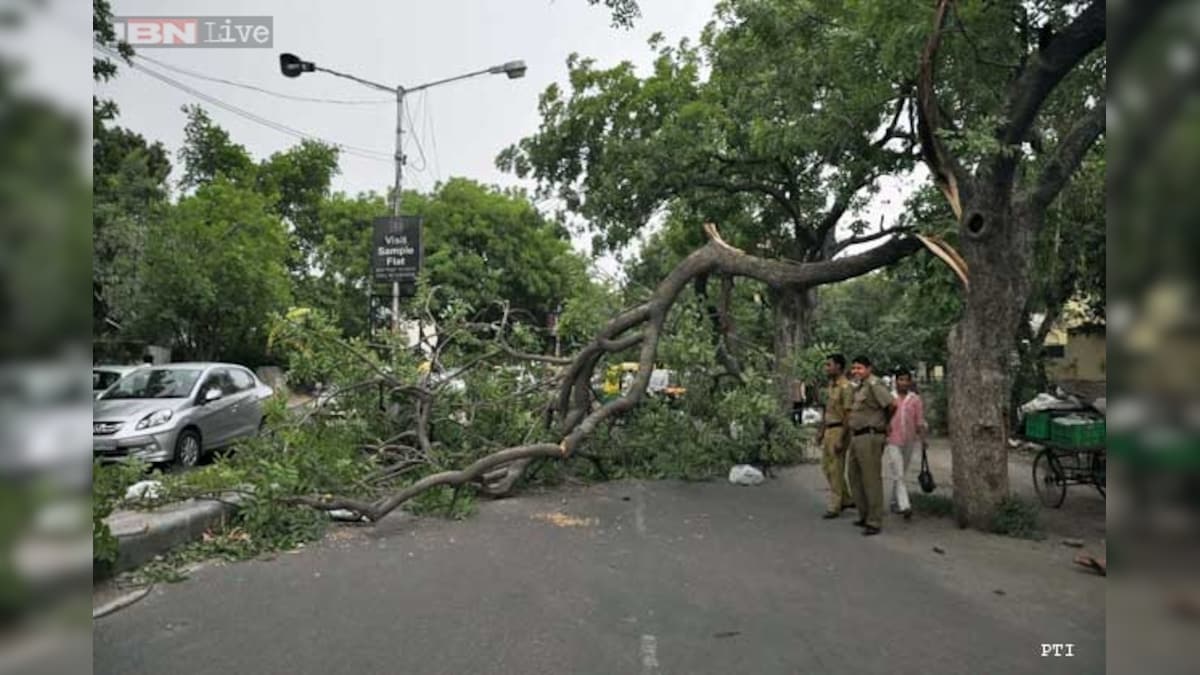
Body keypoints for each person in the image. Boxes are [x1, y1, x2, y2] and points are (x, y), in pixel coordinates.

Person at [846, 355, 895, 536]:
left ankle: (874, 521)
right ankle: (864, 514)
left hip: (870, 435)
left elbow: (892, 404)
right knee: (854, 476)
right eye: (854, 368)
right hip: (857, 436)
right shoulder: (860, 387)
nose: (856, 371)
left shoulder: (875, 385)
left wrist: (885, 423)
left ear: (868, 369)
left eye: (859, 368)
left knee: (871, 479)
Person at [885, 369, 927, 520]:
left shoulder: (915, 399)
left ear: (910, 382)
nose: (903, 383)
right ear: (895, 381)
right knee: (899, 473)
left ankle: (894, 502)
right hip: (892, 440)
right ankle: (905, 505)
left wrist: (923, 439)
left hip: (909, 440)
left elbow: (919, 420)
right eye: (900, 380)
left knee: (901, 472)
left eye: (905, 380)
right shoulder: (889, 398)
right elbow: (882, 416)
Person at [818, 354, 855, 519]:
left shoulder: (846, 387)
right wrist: (821, 431)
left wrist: (842, 438)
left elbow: (848, 415)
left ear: (838, 367)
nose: (827, 368)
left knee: (836, 468)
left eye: (829, 365)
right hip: (829, 429)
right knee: (826, 466)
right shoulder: (832, 386)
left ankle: (835, 504)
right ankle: (846, 498)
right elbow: (828, 410)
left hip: (839, 430)